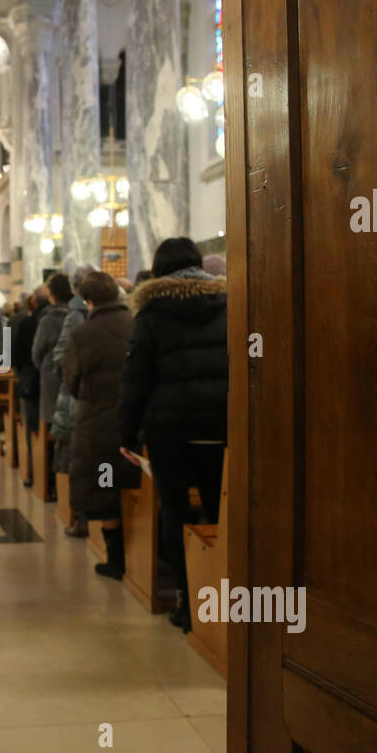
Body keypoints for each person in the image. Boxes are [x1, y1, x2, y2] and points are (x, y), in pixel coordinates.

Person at [119, 237, 228, 631]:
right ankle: (221, 598)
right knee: (220, 512)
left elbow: (136, 379)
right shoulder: (229, 305)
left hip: (170, 432)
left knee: (175, 512)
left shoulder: (150, 314)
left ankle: (187, 600)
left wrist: (126, 432)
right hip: (220, 428)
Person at [62, 271, 140, 579]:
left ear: (88, 300)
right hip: (134, 424)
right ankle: (141, 555)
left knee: (105, 489)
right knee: (136, 482)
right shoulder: (137, 324)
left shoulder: (83, 334)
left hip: (98, 425)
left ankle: (116, 560)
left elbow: (70, 381)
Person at [49, 264, 95, 536]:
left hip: (81, 400)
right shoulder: (124, 314)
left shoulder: (74, 315)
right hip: (109, 402)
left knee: (79, 459)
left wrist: (74, 381)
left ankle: (83, 518)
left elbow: (61, 359)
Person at [32, 274, 72, 501]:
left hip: (51, 382)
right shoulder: (80, 316)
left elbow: (36, 353)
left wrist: (44, 369)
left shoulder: (48, 320)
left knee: (52, 428)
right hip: (71, 380)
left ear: (52, 295)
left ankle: (52, 484)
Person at [13, 286, 49, 488]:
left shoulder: (28, 323)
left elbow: (18, 354)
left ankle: (35, 474)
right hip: (53, 383)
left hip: (32, 381)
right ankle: (53, 477)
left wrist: (21, 373)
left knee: (33, 427)